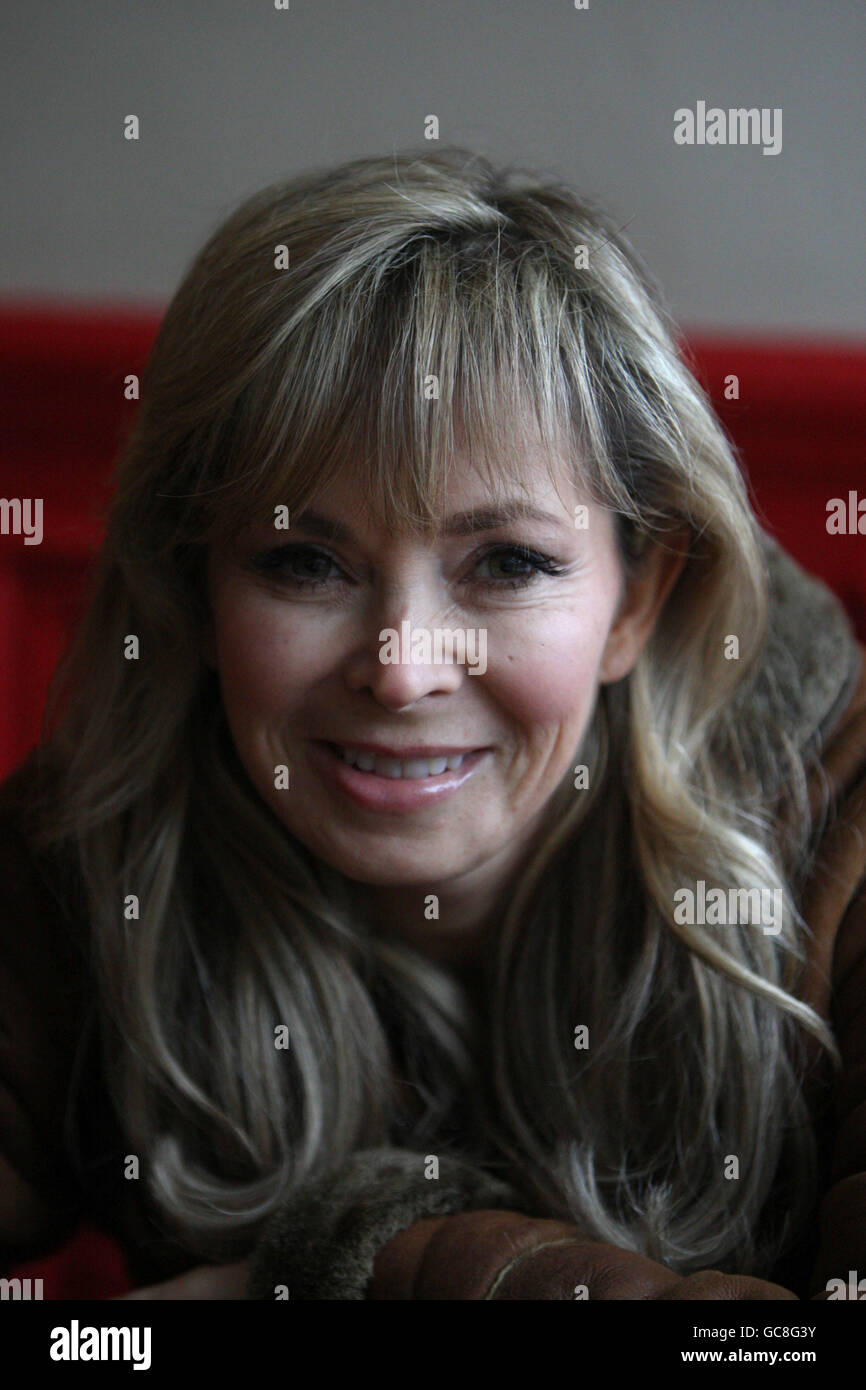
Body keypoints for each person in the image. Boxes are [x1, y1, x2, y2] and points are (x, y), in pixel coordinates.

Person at [1, 149, 864, 1301]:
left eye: (506, 563)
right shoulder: (88, 852)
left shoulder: (840, 827)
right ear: (194, 588)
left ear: (638, 599)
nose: (402, 669)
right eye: (304, 563)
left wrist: (342, 1271)